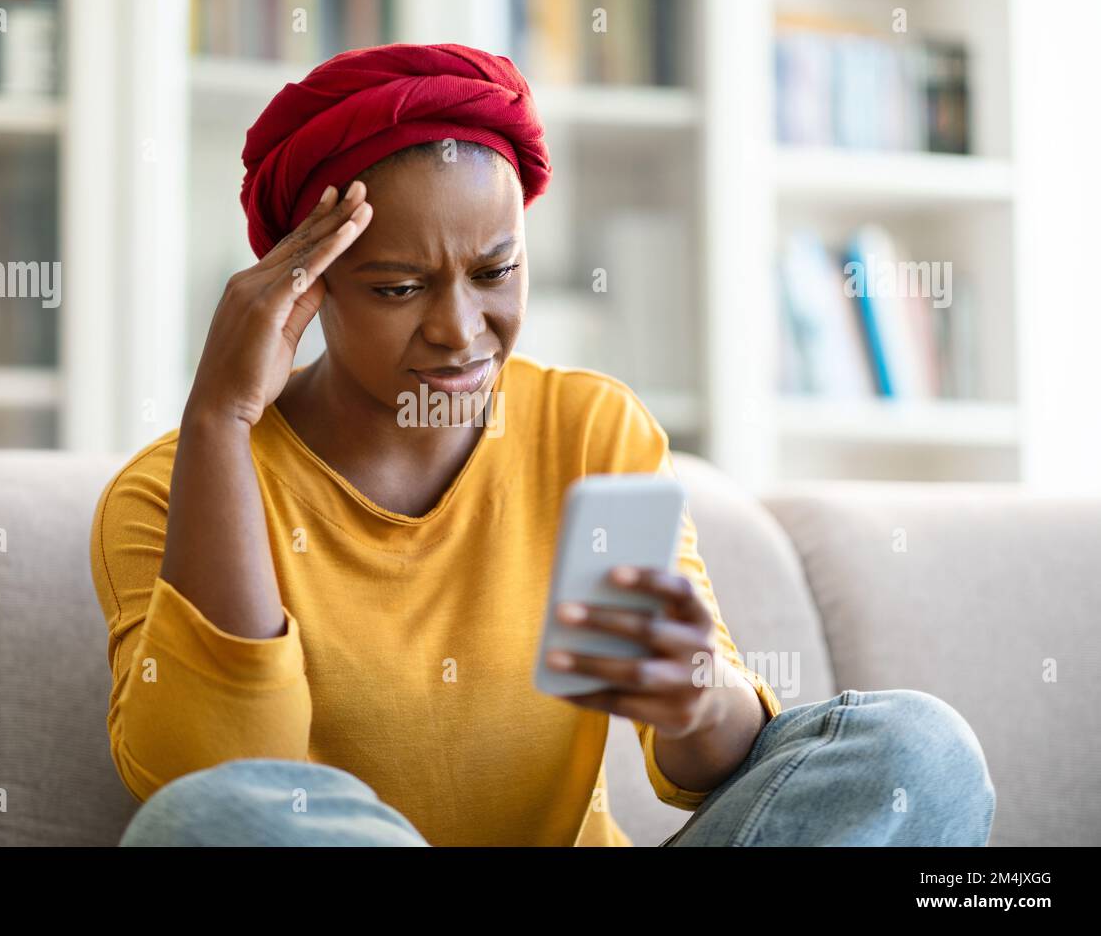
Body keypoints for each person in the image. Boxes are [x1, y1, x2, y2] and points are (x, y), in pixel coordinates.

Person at [91, 43, 995, 847]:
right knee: (207, 822)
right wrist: (219, 422)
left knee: (917, 754)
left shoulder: (588, 432)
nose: (460, 330)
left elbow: (705, 766)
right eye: (400, 287)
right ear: (305, 284)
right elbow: (219, 776)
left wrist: (688, 691)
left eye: (495, 272)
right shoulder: (172, 489)